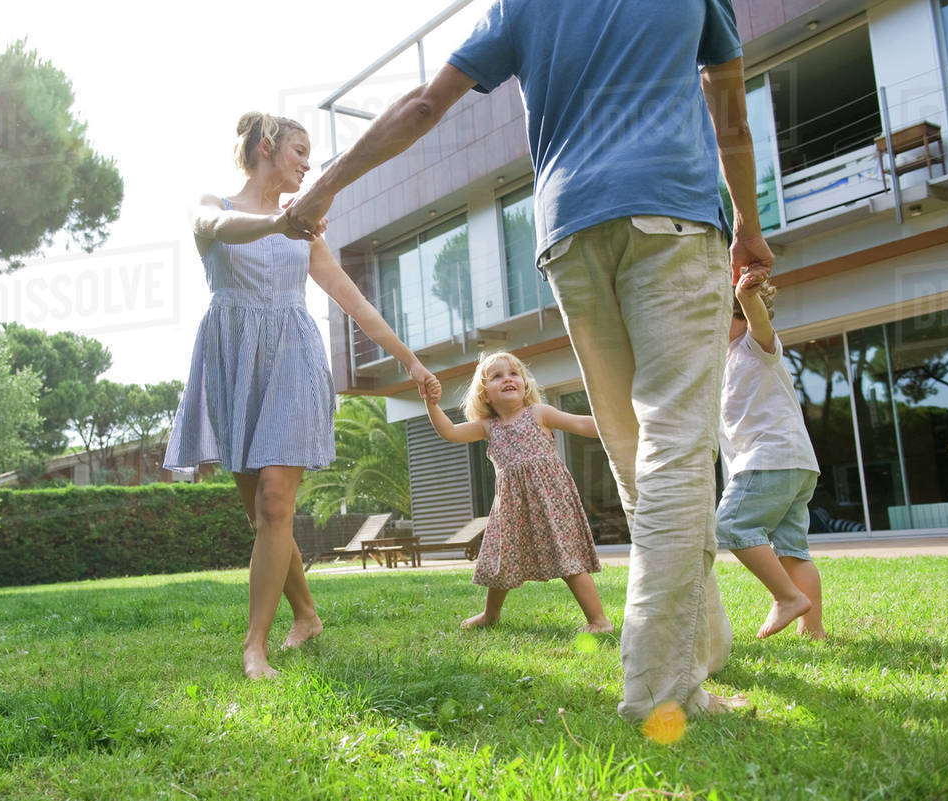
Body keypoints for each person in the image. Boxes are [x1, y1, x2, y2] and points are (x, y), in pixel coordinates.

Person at [286, 1, 771, 721]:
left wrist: (324, 183)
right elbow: (728, 114)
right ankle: (661, 688)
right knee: (672, 445)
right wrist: (750, 232)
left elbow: (424, 105)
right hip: (672, 211)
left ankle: (701, 638)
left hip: (570, 231)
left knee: (639, 456)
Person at [163, 112, 439, 680]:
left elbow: (351, 298)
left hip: (292, 357)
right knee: (262, 514)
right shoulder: (213, 201)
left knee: (274, 505)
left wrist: (410, 360)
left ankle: (255, 645)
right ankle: (307, 616)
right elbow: (218, 228)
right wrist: (280, 225)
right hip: (232, 360)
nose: (307, 165)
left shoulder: (306, 227)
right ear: (267, 147)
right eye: (299, 152)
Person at [424, 352, 614, 633]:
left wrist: (618, 424)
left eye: (514, 374)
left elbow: (581, 424)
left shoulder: (539, 413)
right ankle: (490, 615)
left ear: (525, 385)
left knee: (568, 559)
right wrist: (431, 403)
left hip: (550, 500)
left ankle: (598, 621)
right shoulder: (489, 427)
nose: (508, 379)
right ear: (485, 394)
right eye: (498, 376)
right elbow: (450, 431)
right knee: (502, 561)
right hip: (511, 507)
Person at [718, 267, 826, 640]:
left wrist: (747, 298)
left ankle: (786, 598)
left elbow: (758, 323)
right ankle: (813, 631)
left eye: (722, 317)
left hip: (769, 461)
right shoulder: (722, 364)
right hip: (792, 463)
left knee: (731, 526)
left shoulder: (755, 345)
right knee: (794, 549)